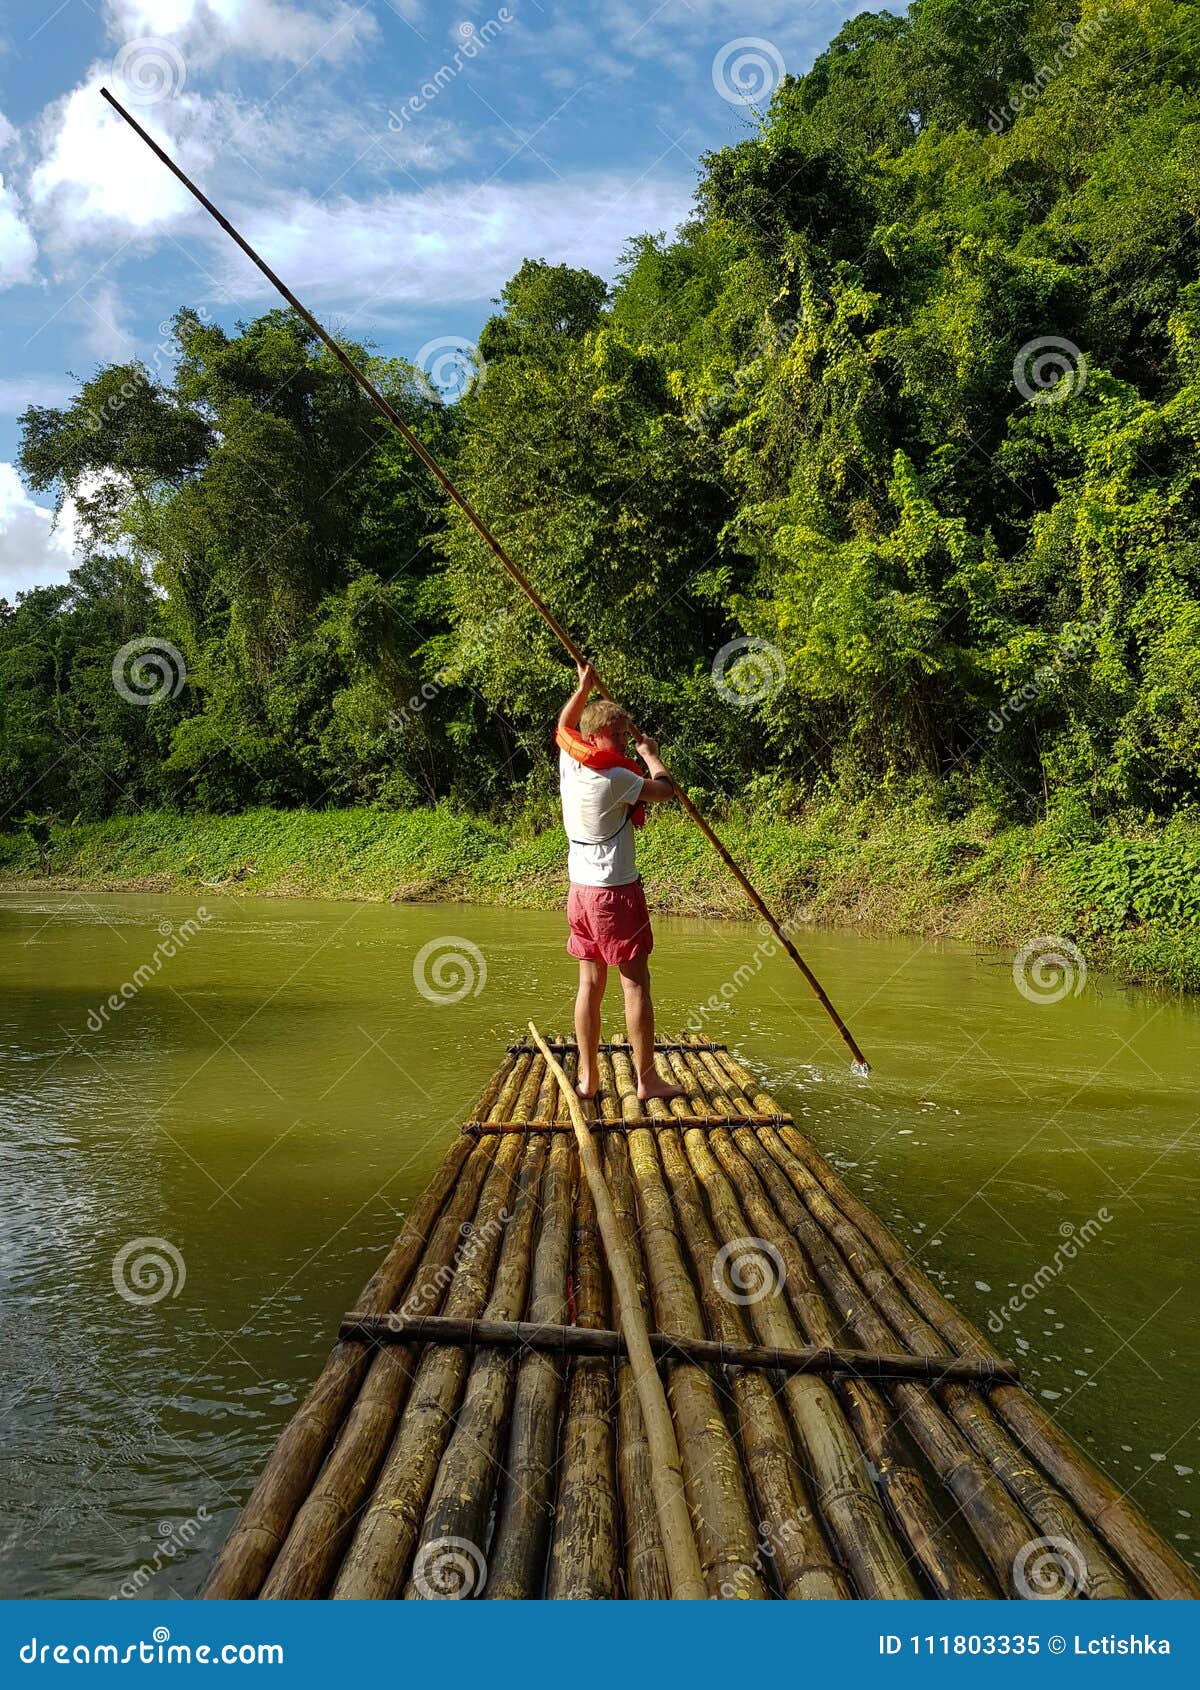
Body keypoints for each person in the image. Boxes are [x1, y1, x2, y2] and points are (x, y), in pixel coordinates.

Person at [556, 660, 685, 1104]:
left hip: (580, 892)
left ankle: (589, 1080)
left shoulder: (571, 761)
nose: (618, 742)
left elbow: (564, 724)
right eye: (612, 736)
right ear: (594, 739)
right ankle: (647, 1081)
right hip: (615, 893)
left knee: (590, 983)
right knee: (635, 984)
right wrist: (649, 755)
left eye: (620, 734)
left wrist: (583, 686)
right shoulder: (614, 778)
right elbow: (665, 791)